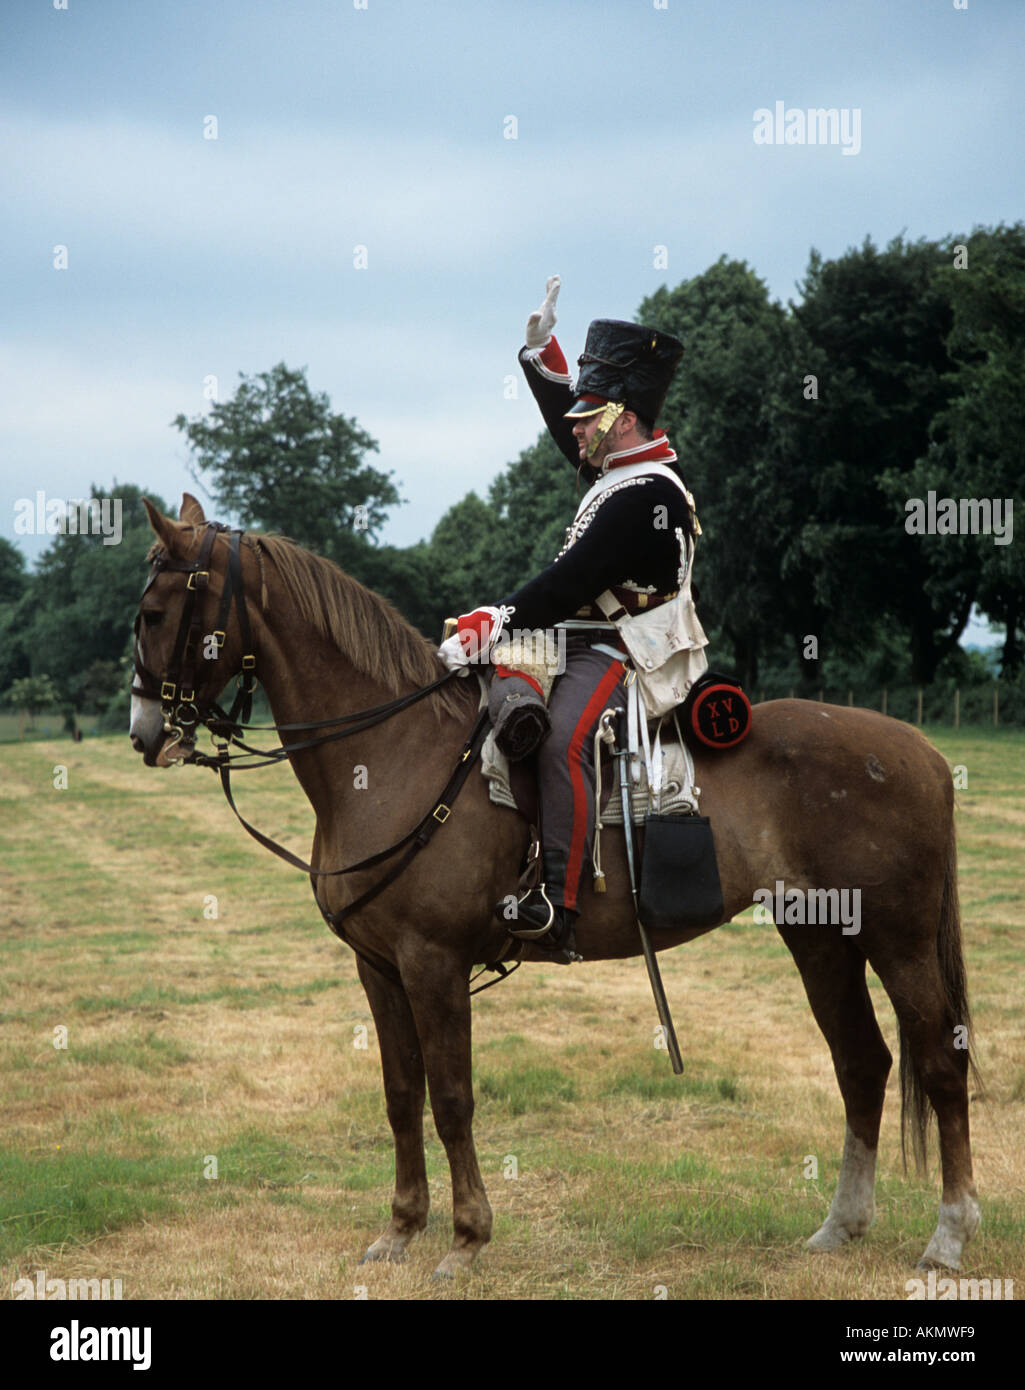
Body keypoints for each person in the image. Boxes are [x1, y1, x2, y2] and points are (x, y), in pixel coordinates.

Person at [439, 276, 708, 951]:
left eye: (590, 418)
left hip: (625, 651)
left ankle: (557, 903)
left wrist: (495, 619)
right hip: (575, 641)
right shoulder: (619, 473)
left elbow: (570, 582)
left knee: (563, 739)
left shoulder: (647, 495)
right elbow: (573, 432)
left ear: (622, 419)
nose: (577, 428)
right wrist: (542, 354)